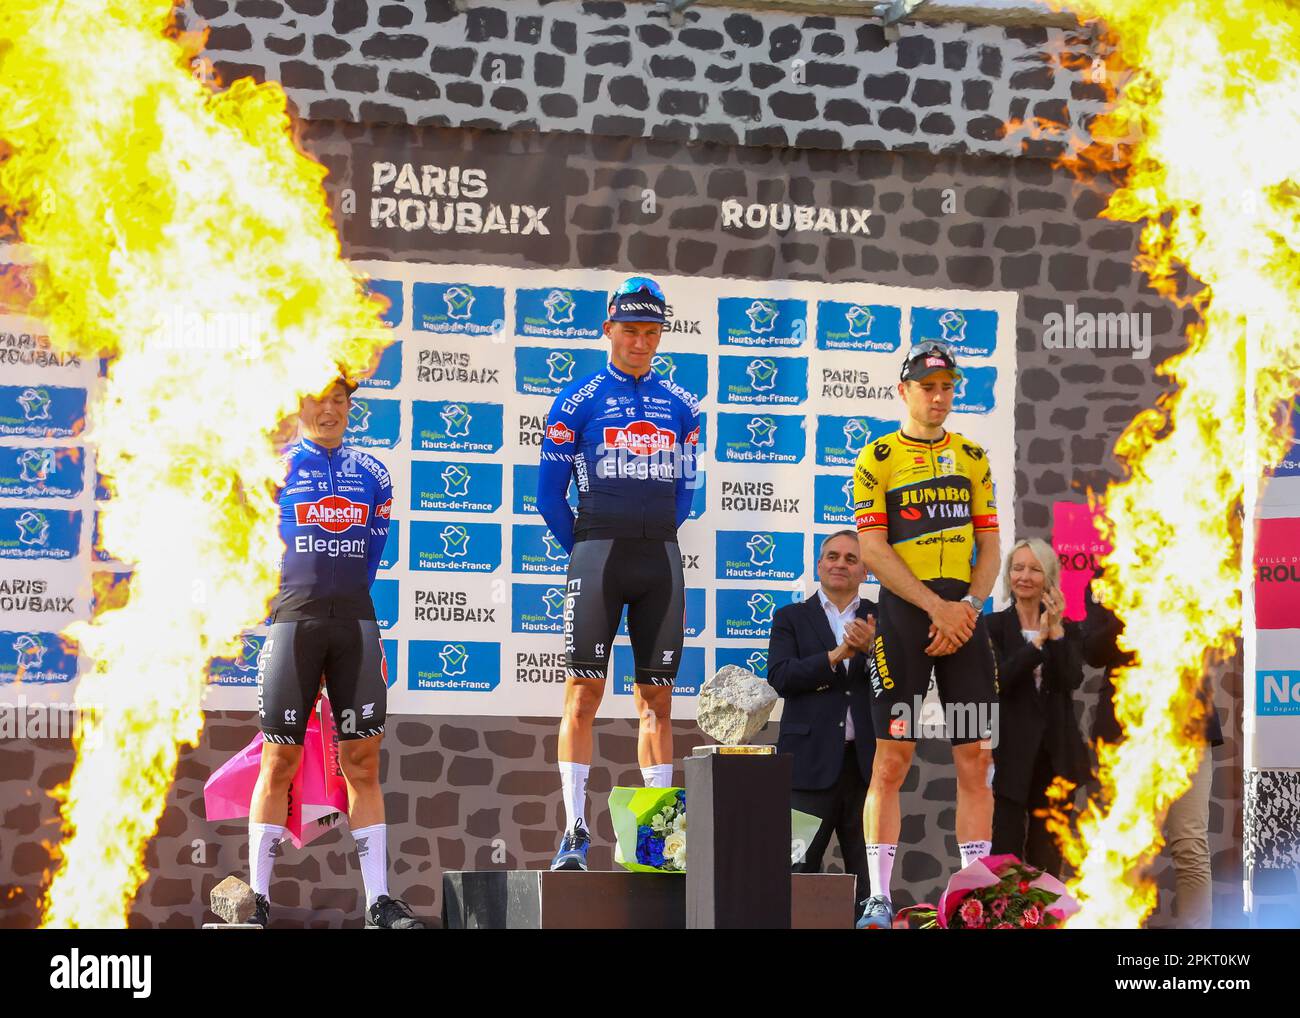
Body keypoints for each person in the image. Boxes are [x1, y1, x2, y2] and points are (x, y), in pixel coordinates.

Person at [537, 277, 701, 871]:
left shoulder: (683, 405)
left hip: (659, 557)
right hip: (597, 556)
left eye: (651, 332)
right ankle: (575, 833)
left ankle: (659, 843)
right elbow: (549, 497)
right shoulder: (575, 400)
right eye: (630, 330)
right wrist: (584, 548)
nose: (640, 341)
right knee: (583, 694)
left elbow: (687, 493)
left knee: (658, 699)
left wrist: (653, 536)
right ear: (608, 330)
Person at [247, 376, 424, 928]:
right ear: (297, 403)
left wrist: (355, 615)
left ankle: (378, 902)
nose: (331, 409)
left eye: (341, 400)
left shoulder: (373, 473)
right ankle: (256, 901)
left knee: (363, 763)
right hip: (292, 624)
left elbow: (371, 555)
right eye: (320, 399)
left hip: (354, 624)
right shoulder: (271, 468)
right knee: (279, 762)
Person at [852, 339, 1001, 929]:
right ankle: (880, 897)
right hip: (906, 619)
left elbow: (989, 545)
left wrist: (967, 604)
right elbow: (871, 548)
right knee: (893, 759)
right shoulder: (877, 456)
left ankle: (975, 895)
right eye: (928, 388)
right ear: (904, 391)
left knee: (974, 757)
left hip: (962, 619)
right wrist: (935, 607)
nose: (939, 399)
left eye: (947, 389)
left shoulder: (973, 455)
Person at [1083, 573, 1224, 928]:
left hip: (1187, 726)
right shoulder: (1106, 577)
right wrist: (1132, 611)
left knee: (1190, 844)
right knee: (1126, 846)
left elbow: (1208, 633)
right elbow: (1094, 651)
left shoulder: (1192, 558)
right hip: (1126, 735)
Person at [767, 530, 877, 912]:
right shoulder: (791, 618)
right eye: (832, 556)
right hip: (807, 768)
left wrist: (873, 653)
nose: (840, 564)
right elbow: (780, 678)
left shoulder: (882, 621)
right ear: (819, 564)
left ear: (865, 570)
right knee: (795, 873)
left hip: (867, 769)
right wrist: (837, 655)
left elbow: (898, 687)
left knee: (869, 881)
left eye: (850, 558)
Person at [987, 539, 1089, 876]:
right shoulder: (992, 628)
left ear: (1048, 578)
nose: (1025, 576)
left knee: (1047, 859)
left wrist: (1056, 632)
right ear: (1008, 575)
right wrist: (1038, 642)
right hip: (1009, 759)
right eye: (1018, 568)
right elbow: (999, 678)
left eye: (1035, 569)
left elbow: (1071, 678)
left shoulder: (1066, 628)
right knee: (1005, 858)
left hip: (1056, 758)